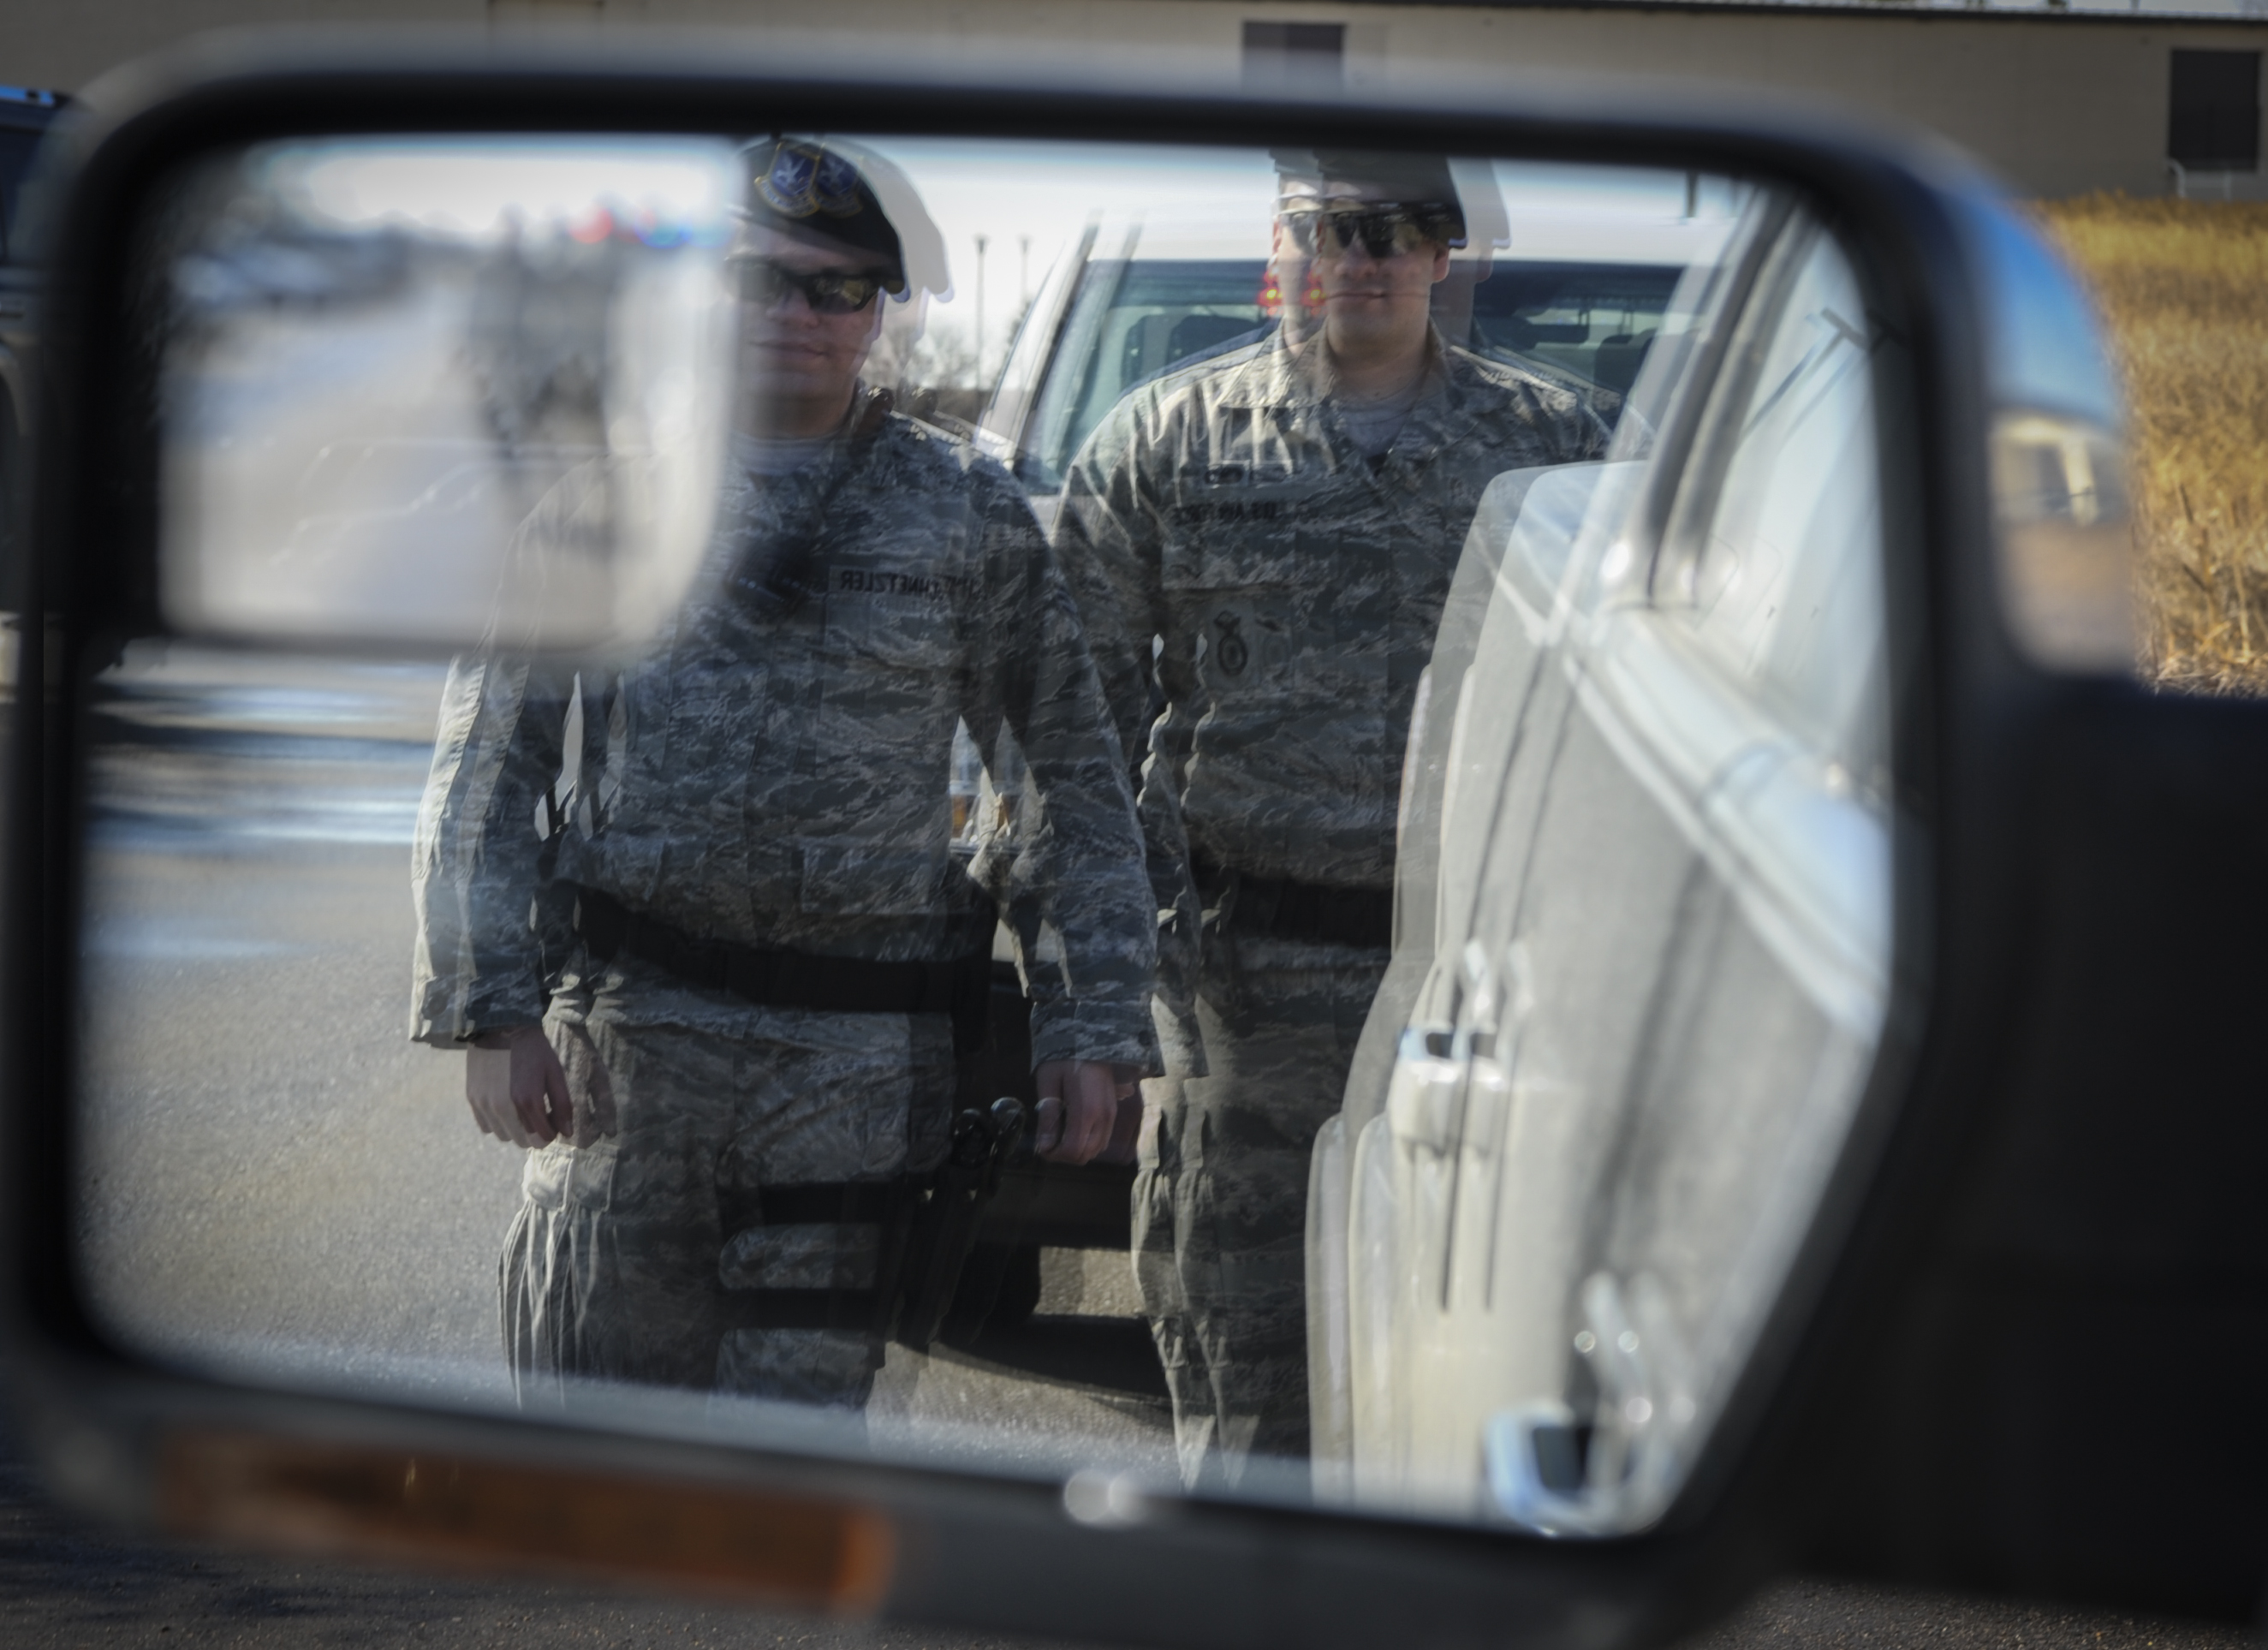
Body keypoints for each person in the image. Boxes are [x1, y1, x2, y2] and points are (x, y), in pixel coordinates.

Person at [410, 137, 1157, 1412]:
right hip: (631, 1057)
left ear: (879, 313)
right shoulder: (598, 501)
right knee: (597, 1431)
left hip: (855, 1077)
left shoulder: (966, 515)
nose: (797, 315)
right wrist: (490, 1010)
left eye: (837, 289)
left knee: (789, 1447)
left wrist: (1090, 1030)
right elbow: (488, 762)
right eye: (761, 280)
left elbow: (1067, 781)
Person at [1052, 149, 1611, 1488]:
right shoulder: (1164, 442)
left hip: (1485, 1000)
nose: (1358, 258)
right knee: (1254, 1399)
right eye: (1326, 229)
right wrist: (1092, 1006)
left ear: (1442, 254)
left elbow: (1621, 723)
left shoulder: (1559, 449)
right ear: (1279, 245)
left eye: (1394, 230)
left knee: (1476, 1388)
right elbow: (1072, 741)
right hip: (1245, 999)